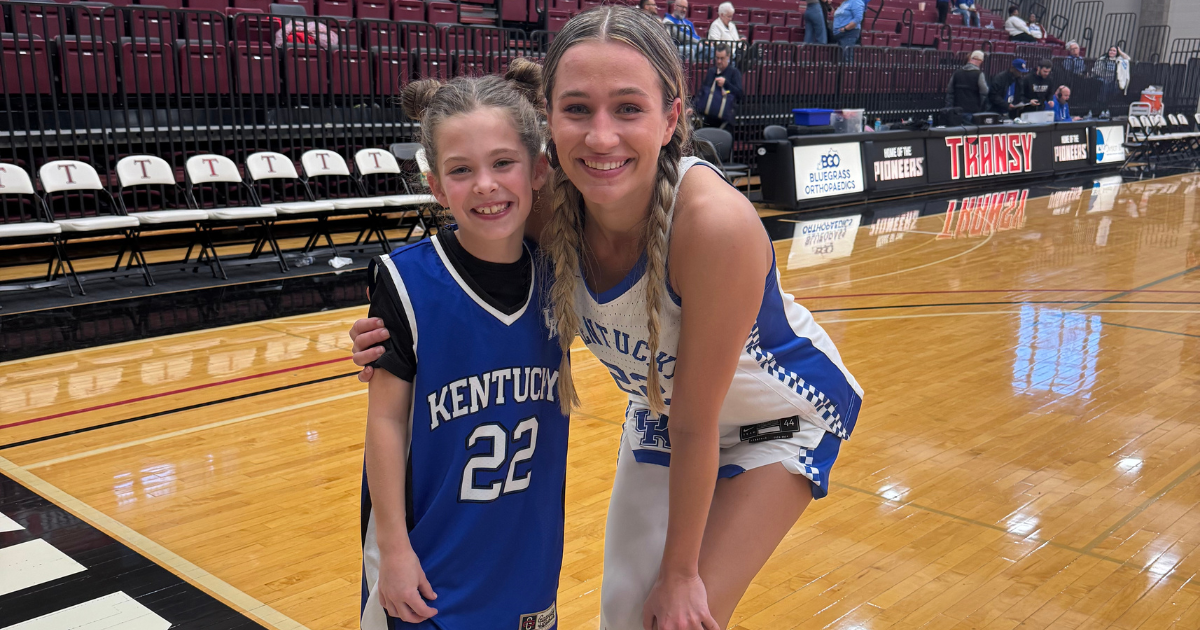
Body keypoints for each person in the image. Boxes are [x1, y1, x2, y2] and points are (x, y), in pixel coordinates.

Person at [350, 7, 864, 630]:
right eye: (576, 109)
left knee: (677, 618)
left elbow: (698, 426)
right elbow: (460, 275)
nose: (599, 137)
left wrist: (680, 576)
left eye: (627, 108)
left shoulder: (713, 227)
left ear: (671, 117)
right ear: (549, 122)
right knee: (621, 615)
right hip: (662, 413)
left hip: (779, 419)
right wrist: (395, 340)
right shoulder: (544, 209)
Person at [359, 59, 568, 630]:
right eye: (460, 170)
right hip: (428, 565)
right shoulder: (404, 282)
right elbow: (385, 423)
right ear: (434, 186)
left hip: (528, 556)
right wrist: (394, 551)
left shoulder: (561, 278)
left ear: (539, 169)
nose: (485, 185)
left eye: (504, 163)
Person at [694, 43, 742, 128]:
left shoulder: (734, 73)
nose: (719, 61)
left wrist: (726, 84)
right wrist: (693, 107)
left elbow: (740, 94)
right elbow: (703, 91)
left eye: (722, 58)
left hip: (725, 121)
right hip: (709, 117)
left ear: (728, 56)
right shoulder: (712, 72)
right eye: (717, 58)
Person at [946, 49, 989, 118]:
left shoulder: (957, 73)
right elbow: (984, 92)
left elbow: (949, 90)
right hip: (973, 110)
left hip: (956, 109)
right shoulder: (979, 74)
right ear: (981, 61)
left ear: (970, 59)